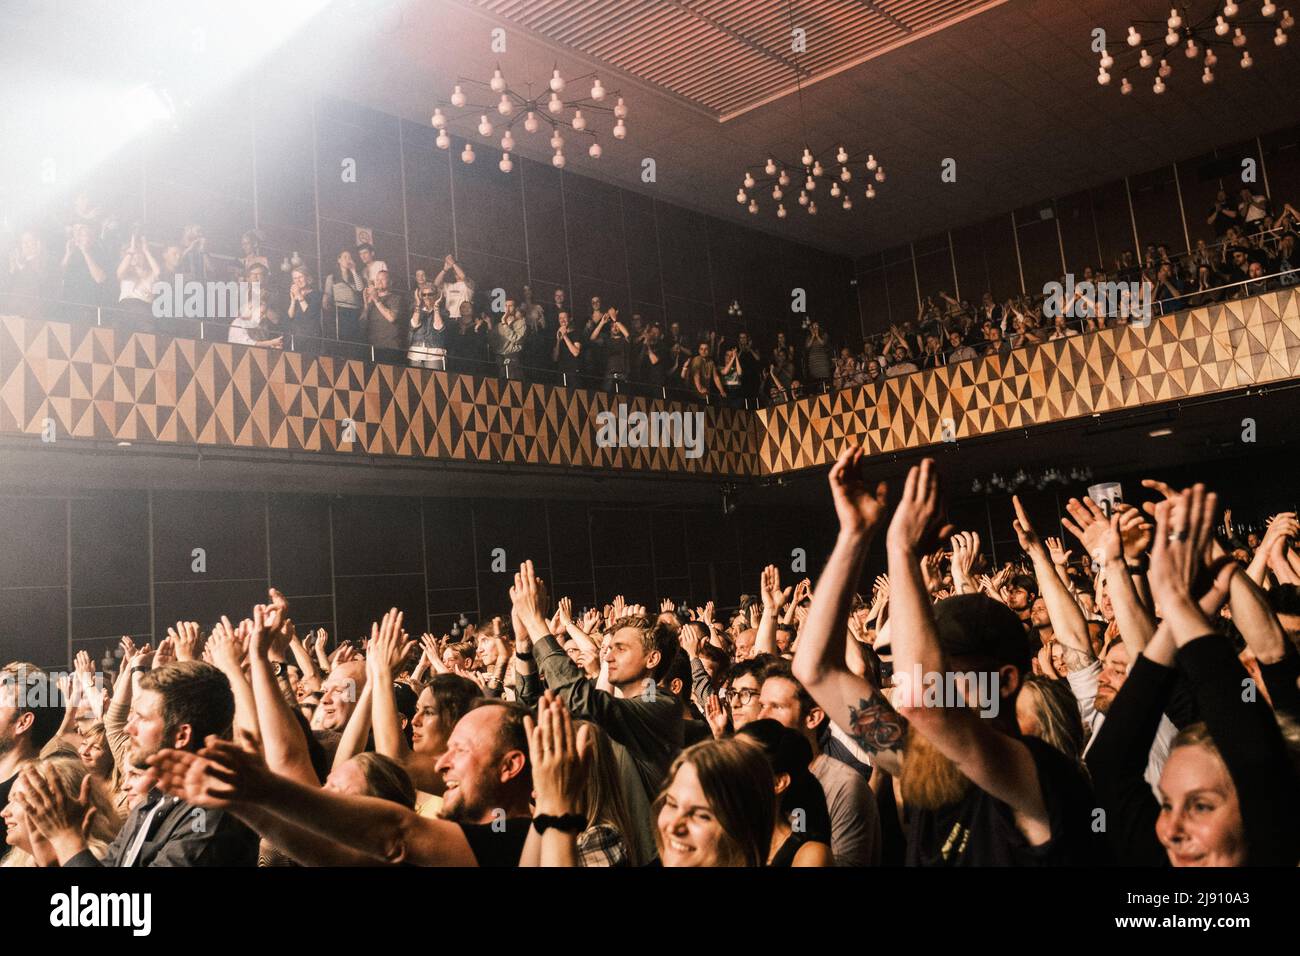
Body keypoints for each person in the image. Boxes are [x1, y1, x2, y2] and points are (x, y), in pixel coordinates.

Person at [793, 447, 1105, 865]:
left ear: (1005, 681)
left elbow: (926, 705)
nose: (917, 677)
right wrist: (854, 534)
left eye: (948, 670)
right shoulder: (924, 763)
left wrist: (900, 549)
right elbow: (813, 668)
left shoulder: (1039, 775)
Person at [150, 698, 535, 867]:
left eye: (461, 751)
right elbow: (335, 856)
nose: (440, 766)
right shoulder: (453, 833)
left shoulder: (520, 839)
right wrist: (242, 802)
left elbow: (396, 831)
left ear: (510, 767)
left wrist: (263, 788)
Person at [18, 661, 259, 866]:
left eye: (141, 718)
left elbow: (125, 909)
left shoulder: (209, 813)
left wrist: (68, 839)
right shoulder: (154, 801)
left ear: (181, 736)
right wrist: (51, 857)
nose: (127, 727)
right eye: (131, 715)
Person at [509, 561, 683, 801]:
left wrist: (537, 622)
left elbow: (582, 701)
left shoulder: (661, 706)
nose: (608, 656)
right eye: (609, 648)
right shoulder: (605, 702)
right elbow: (533, 711)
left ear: (652, 658)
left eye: (620, 649)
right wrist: (524, 644)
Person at [736, 719, 834, 867]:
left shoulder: (809, 856)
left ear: (778, 783)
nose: (725, 765)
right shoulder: (724, 840)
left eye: (739, 760)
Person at [2, 755, 120, 866]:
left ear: (60, 803)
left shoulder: (94, 860)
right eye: (9, 801)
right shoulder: (16, 862)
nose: (4, 812)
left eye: (17, 799)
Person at [323, 250, 366, 343]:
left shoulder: (355, 276)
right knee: (342, 336)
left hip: (354, 310)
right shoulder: (332, 277)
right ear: (339, 260)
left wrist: (354, 271)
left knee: (354, 337)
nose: (348, 260)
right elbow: (328, 293)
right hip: (340, 310)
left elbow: (360, 288)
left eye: (350, 258)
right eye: (345, 257)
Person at [360, 268, 406, 354]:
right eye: (377, 279)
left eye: (383, 279)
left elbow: (392, 318)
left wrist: (377, 300)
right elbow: (362, 324)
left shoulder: (396, 298)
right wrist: (366, 304)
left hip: (391, 346)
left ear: (390, 282)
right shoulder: (371, 301)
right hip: (374, 347)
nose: (378, 281)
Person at [407, 284, 449, 370]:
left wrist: (436, 307)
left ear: (436, 295)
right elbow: (414, 325)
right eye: (424, 294)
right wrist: (418, 304)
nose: (427, 297)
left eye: (430, 294)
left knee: (433, 381)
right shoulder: (416, 310)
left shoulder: (443, 312)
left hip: (435, 353)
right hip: (416, 353)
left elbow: (438, 327)